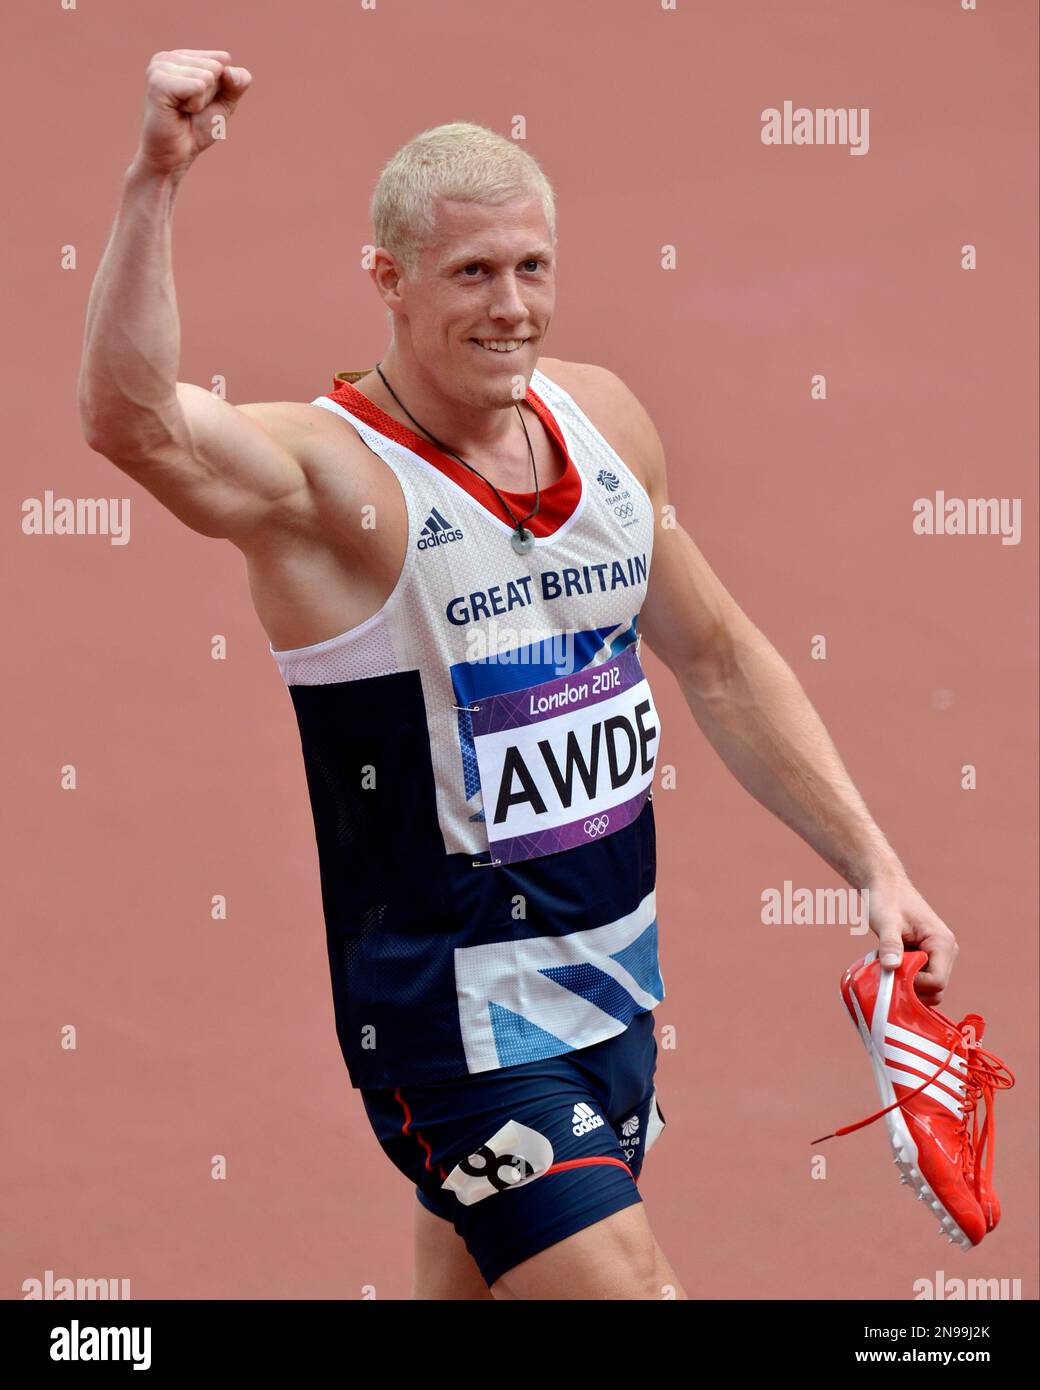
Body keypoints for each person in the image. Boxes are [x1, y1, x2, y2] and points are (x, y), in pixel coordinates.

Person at [78, 50, 960, 1301]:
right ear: (385, 280)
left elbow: (715, 655)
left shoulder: (602, 424)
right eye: (472, 273)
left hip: (614, 995)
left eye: (532, 266)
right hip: (454, 1029)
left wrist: (874, 865)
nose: (512, 306)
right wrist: (156, 176)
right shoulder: (337, 486)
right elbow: (136, 423)